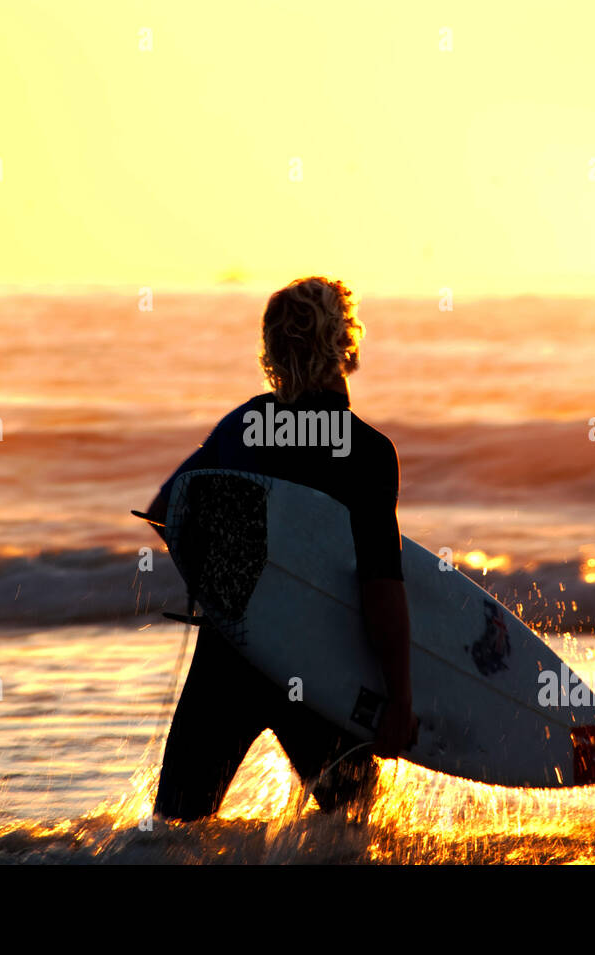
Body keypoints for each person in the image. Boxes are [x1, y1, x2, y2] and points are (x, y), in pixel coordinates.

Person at [143, 276, 418, 822]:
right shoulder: (366, 452)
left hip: (231, 658)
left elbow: (169, 513)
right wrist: (400, 699)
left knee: (172, 835)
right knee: (353, 837)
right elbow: (381, 586)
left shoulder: (245, 427)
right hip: (319, 667)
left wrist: (226, 588)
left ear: (272, 352)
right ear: (346, 344)